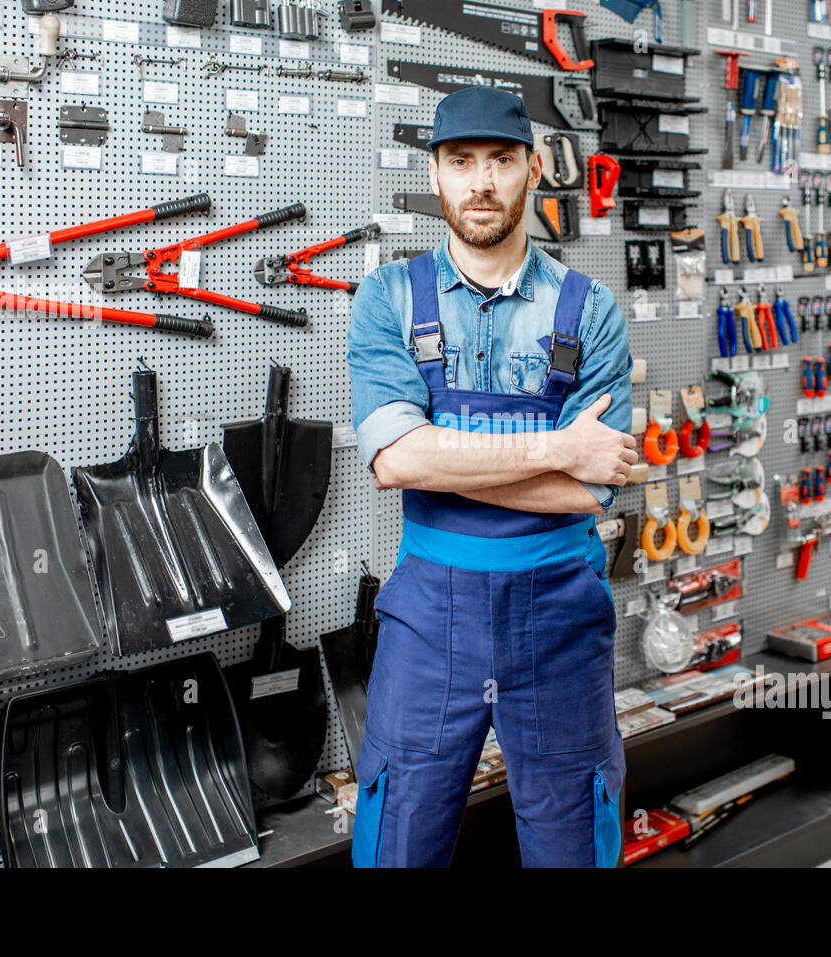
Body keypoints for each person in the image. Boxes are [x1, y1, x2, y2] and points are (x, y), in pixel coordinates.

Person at [346, 86, 637, 867]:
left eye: (501, 161)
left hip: (561, 614)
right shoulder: (387, 299)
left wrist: (446, 457)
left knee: (574, 831)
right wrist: (557, 449)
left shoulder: (593, 311)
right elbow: (396, 461)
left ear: (535, 169)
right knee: (397, 826)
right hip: (429, 613)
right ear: (435, 174)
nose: (481, 182)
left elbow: (593, 487)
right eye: (461, 162)